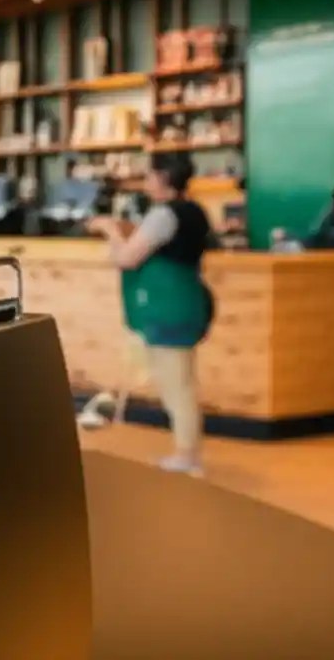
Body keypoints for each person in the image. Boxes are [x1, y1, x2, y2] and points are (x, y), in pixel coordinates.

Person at [87, 153, 214, 476]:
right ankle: (188, 452)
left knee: (177, 387)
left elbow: (128, 258)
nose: (145, 181)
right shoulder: (194, 211)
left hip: (166, 307)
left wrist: (109, 229)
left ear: (162, 178)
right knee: (180, 382)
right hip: (186, 303)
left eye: (149, 175)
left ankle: (188, 456)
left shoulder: (163, 215)